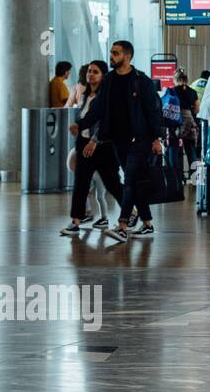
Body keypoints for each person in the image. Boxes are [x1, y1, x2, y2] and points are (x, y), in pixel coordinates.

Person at [77, 40, 163, 245]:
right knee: (136, 182)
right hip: (117, 140)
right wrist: (81, 124)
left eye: (116, 53)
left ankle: (123, 225)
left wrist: (156, 138)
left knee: (130, 180)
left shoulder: (141, 81)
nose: (112, 56)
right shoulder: (108, 80)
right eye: (112, 53)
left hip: (140, 139)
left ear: (128, 56)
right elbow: (98, 107)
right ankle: (147, 223)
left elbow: (153, 111)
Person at [60, 60, 122, 236]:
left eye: (95, 72)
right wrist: (78, 128)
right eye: (89, 71)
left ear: (103, 76)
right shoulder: (87, 95)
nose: (90, 74)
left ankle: (131, 212)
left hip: (101, 147)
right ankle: (75, 222)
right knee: (81, 184)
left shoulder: (105, 97)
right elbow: (85, 118)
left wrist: (94, 141)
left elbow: (104, 123)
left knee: (113, 184)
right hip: (83, 144)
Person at [172, 70, 200, 178]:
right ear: (186, 80)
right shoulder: (192, 92)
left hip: (175, 122)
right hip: (189, 122)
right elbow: (197, 109)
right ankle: (193, 176)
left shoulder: (172, 91)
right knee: (191, 150)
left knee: (176, 150)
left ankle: (178, 177)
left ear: (175, 79)